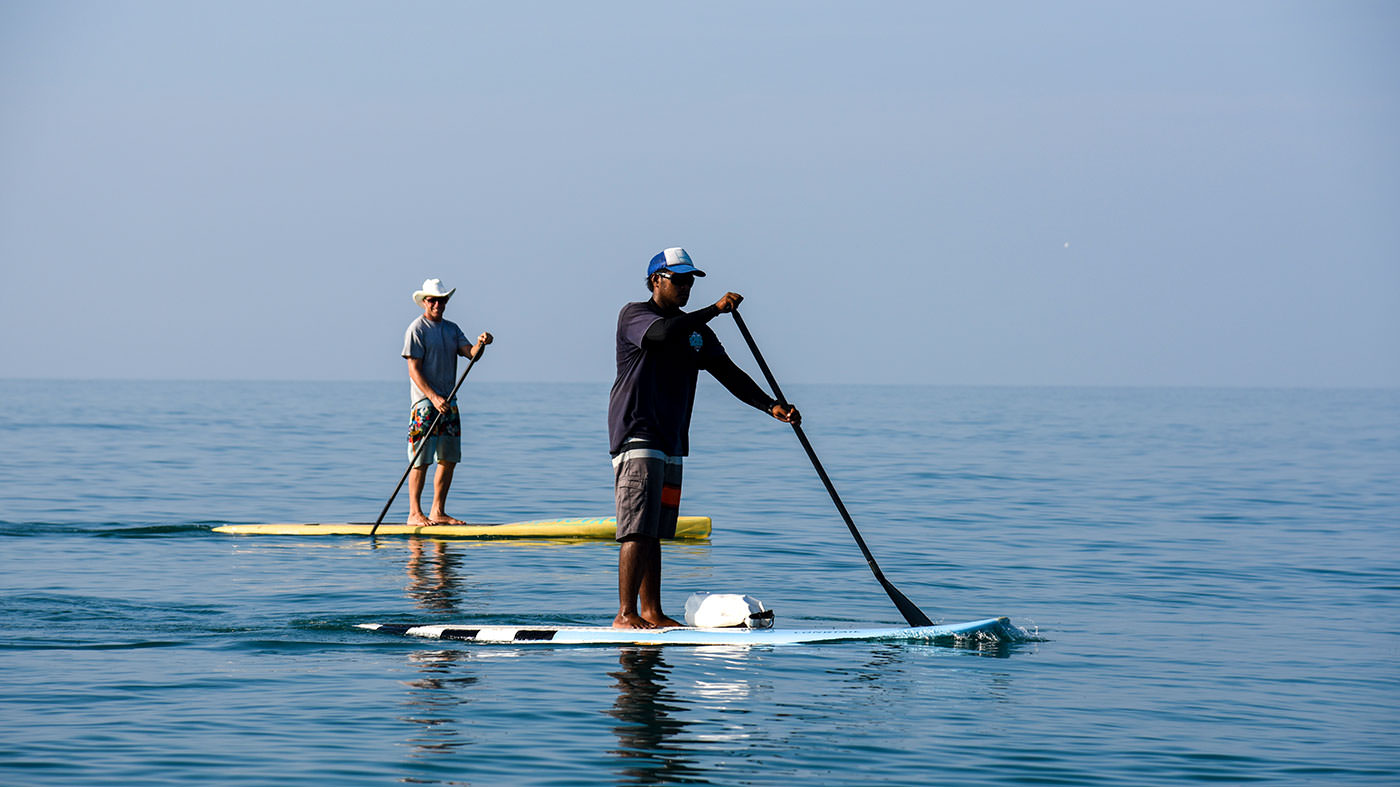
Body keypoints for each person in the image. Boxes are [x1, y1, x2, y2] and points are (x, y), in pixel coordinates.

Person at [608, 248, 799, 628]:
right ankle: (625, 614)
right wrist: (714, 309)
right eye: (678, 280)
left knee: (655, 530)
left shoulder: (697, 332)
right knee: (636, 528)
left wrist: (769, 405)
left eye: (690, 280)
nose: (685, 287)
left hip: (672, 439)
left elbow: (729, 374)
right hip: (638, 433)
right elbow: (660, 335)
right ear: (656, 280)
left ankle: (652, 612)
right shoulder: (635, 315)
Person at [402, 278, 492, 526]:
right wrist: (433, 397)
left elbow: (471, 354)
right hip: (424, 404)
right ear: (424, 302)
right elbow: (414, 369)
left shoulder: (452, 329)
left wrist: (482, 343)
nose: (437, 304)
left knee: (449, 458)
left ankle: (437, 511)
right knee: (420, 459)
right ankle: (414, 513)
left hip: (449, 404)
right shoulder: (416, 329)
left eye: (441, 300)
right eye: (432, 300)